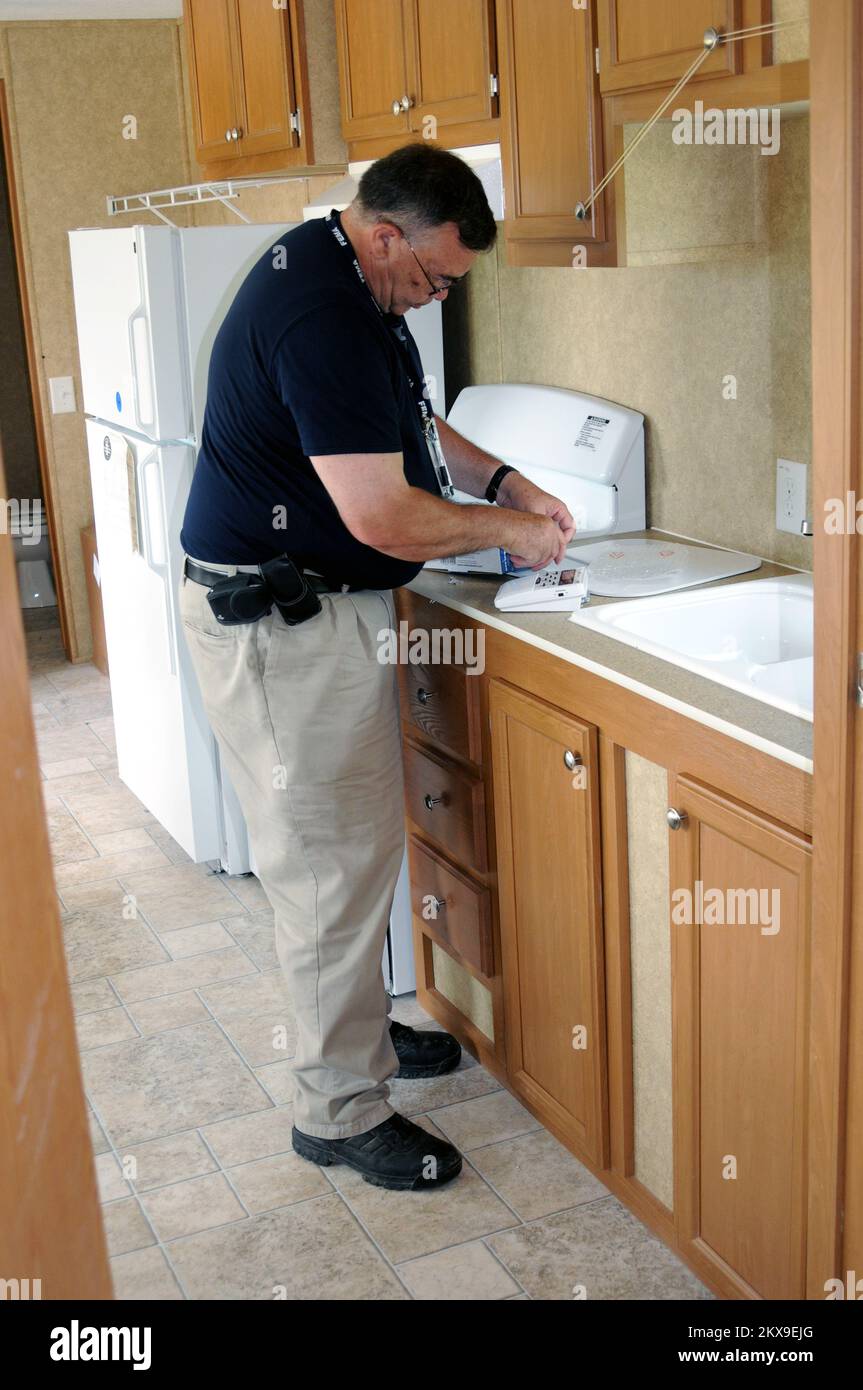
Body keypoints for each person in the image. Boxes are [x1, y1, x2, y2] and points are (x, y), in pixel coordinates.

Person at [178, 142, 574, 1192]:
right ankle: (338, 1110)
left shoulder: (349, 276)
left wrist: (506, 481)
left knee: (348, 860)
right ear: (386, 234)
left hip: (312, 615)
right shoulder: (319, 311)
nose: (439, 296)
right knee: (325, 875)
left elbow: (402, 424)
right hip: (283, 630)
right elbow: (383, 515)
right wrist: (512, 533)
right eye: (435, 277)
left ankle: (359, 1037)